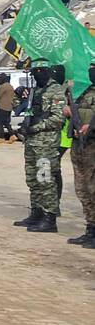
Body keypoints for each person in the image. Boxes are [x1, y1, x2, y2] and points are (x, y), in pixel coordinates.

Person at [13, 63, 66, 233]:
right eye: (35, 72)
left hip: (46, 144)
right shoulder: (36, 90)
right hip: (31, 143)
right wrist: (25, 123)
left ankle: (49, 217)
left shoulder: (56, 91)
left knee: (45, 180)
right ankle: (36, 213)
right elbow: (30, 111)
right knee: (33, 179)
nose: (37, 75)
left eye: (40, 72)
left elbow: (58, 118)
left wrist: (36, 127)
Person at [67, 64, 95, 247]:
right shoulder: (83, 91)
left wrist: (90, 128)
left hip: (92, 145)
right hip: (79, 144)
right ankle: (90, 228)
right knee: (82, 188)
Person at [0, 73, 17, 142]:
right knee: (6, 122)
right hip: (9, 106)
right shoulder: (10, 86)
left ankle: (1, 137)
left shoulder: (2, 86)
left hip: (2, 106)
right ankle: (12, 135)